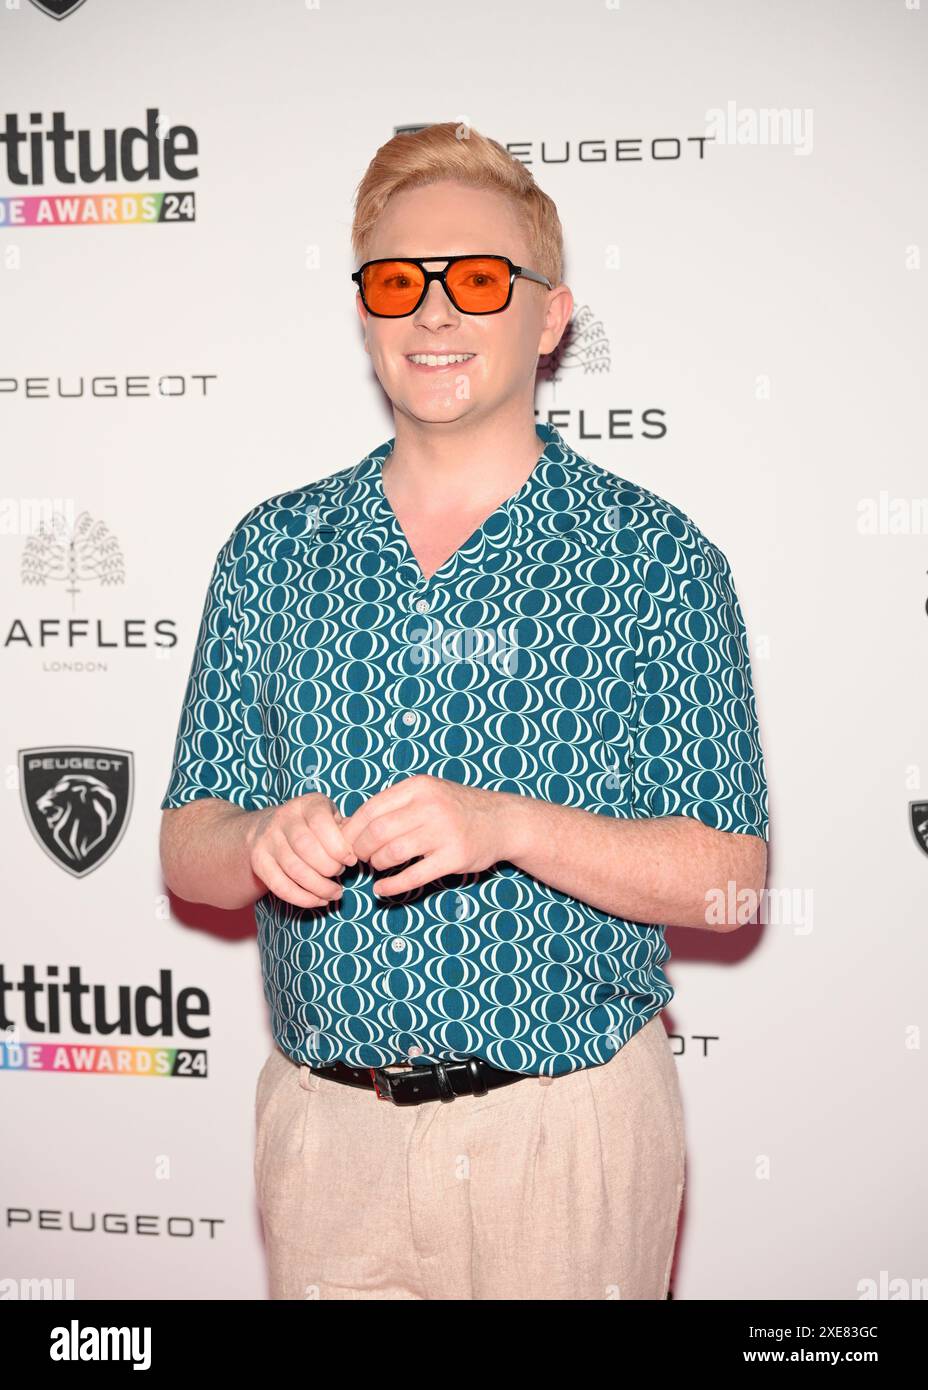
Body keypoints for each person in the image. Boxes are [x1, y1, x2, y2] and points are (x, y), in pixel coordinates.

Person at [159, 122, 769, 1301]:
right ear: (366, 314)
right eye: (398, 282)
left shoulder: (655, 561)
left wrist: (512, 826)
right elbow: (190, 846)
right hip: (328, 1141)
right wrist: (251, 841)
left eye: (477, 280)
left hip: (567, 1137)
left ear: (550, 316)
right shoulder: (271, 554)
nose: (434, 313)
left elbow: (730, 877)